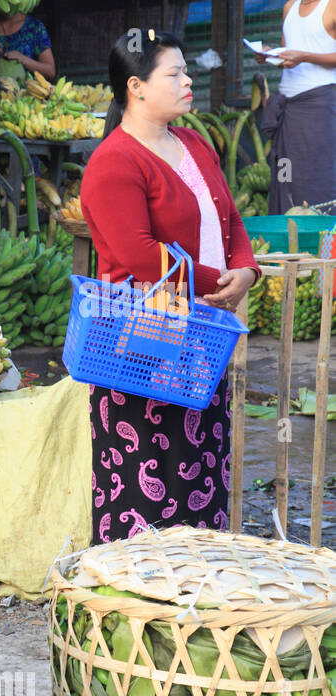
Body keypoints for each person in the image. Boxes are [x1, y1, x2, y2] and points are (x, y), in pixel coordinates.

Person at [79, 30, 259, 544]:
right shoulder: (115, 162)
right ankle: (138, 605)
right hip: (142, 343)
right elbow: (139, 256)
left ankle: (197, 598)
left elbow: (231, 218)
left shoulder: (196, 144)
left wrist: (245, 270)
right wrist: (218, 280)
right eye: (174, 74)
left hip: (203, 335)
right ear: (135, 87)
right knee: (145, 478)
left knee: (203, 463)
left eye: (187, 71)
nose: (188, 82)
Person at [256, 0, 336, 212]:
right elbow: (288, 51)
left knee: (318, 175)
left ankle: (323, 237)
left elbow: (302, 54)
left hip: (319, 106)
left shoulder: (331, 6)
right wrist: (270, 55)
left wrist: (306, 57)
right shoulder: (289, 7)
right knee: (286, 171)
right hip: (288, 109)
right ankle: (286, 227)